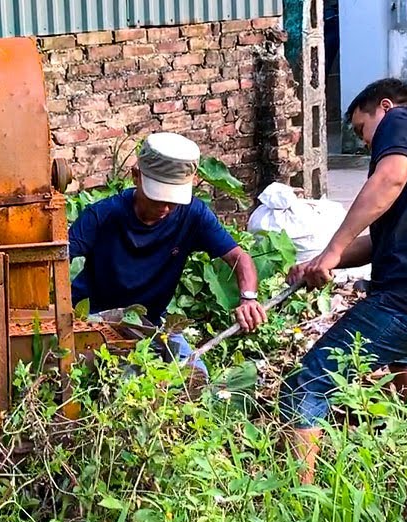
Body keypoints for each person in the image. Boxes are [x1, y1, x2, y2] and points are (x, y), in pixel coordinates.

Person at [282, 78, 407, 483]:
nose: (363, 144)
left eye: (361, 129)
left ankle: (298, 503)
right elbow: (377, 245)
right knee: (405, 349)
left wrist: (332, 249)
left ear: (384, 107)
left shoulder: (403, 120)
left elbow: (388, 178)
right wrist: (322, 260)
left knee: (305, 383)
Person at [69, 132, 266, 376]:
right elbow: (57, 260)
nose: (165, 208)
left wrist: (248, 298)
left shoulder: (192, 214)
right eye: (157, 198)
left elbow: (239, 257)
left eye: (173, 201)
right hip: (92, 319)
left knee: (194, 377)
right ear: (136, 177)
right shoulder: (102, 215)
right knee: (113, 381)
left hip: (151, 323)